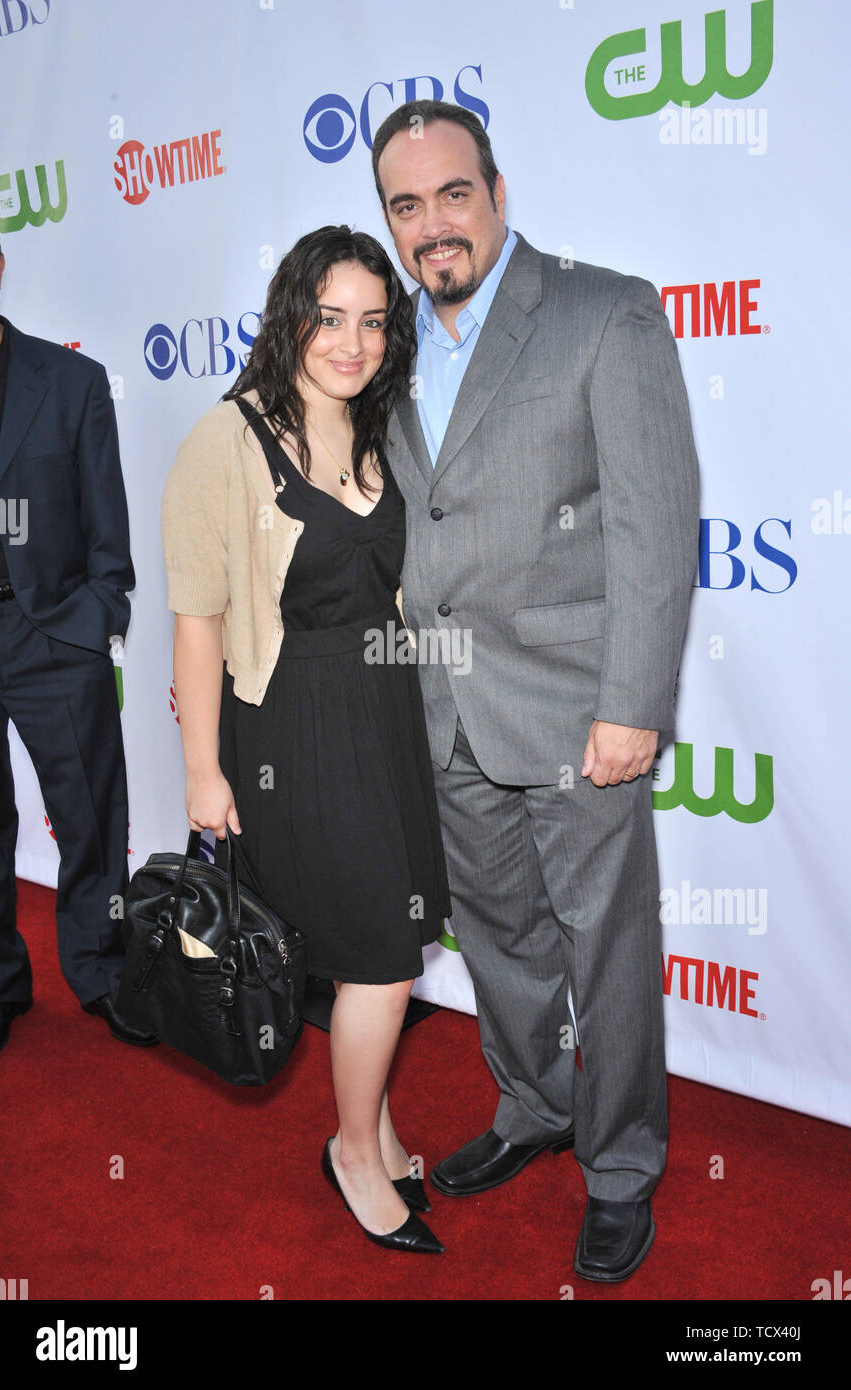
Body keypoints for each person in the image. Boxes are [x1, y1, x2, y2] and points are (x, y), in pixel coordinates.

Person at [371, 101, 700, 1281]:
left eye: (453, 194)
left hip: (575, 709)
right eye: (406, 206)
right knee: (501, 937)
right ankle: (532, 1105)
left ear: (498, 194)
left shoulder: (602, 311)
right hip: (442, 707)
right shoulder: (383, 342)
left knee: (603, 947)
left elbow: (655, 526)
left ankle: (619, 1165)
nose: (433, 224)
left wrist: (633, 702)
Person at [161, 225, 450, 1255]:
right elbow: (197, 618)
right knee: (380, 960)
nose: (350, 342)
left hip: (384, 714)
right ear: (290, 315)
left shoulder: (381, 427)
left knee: (388, 941)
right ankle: (353, 1152)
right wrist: (203, 772)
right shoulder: (227, 439)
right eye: (329, 318)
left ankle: (378, 1126)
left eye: (371, 322)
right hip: (293, 726)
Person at [0, 213, 153, 1060]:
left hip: (51, 630)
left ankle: (101, 968)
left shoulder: (70, 382)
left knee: (88, 814)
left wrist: (98, 620)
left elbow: (106, 528)